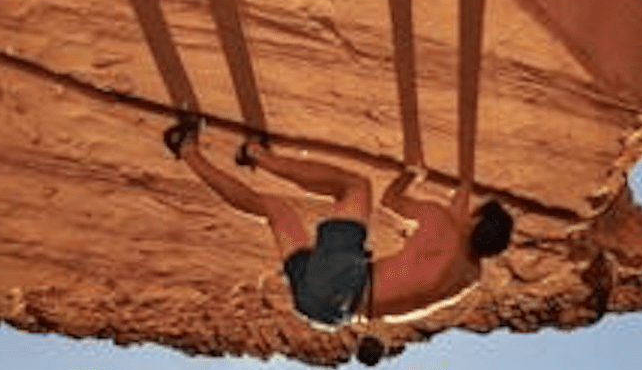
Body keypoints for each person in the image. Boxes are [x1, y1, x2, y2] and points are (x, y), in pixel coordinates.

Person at [166, 117, 513, 331]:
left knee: (356, 187)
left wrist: (410, 176)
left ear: (475, 220)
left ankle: (258, 155)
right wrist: (465, 187)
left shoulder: (442, 222)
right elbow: (461, 213)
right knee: (275, 211)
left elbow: (390, 200)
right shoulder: (470, 278)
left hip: (346, 280)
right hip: (329, 313)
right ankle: (187, 149)